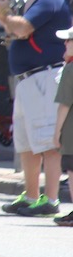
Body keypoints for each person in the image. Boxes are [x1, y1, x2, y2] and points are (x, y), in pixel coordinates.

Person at [0, 0, 71, 217]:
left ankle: (51, 199)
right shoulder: (38, 0)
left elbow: (22, 29)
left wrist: (3, 13)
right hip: (29, 80)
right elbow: (16, 30)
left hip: (44, 78)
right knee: (26, 142)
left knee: (48, 141)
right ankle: (31, 196)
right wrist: (3, 14)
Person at [52, 24, 73, 226]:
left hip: (71, 132)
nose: (65, 43)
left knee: (72, 170)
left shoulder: (70, 70)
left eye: (69, 40)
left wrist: (57, 131)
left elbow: (64, 104)